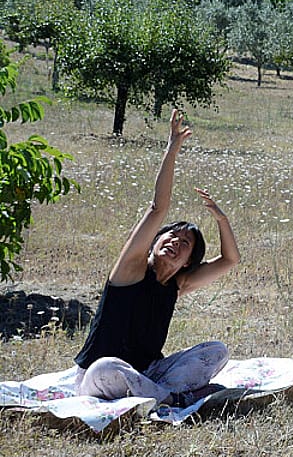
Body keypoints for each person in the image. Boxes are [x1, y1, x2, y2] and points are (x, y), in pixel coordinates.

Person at [74, 109, 241, 406]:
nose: (176, 241)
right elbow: (157, 208)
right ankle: (176, 399)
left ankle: (160, 396)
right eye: (171, 236)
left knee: (217, 351)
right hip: (99, 377)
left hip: (148, 374)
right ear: (153, 242)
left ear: (188, 261)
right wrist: (172, 149)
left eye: (185, 242)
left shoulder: (178, 283)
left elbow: (230, 260)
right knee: (106, 367)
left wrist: (221, 219)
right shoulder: (130, 268)